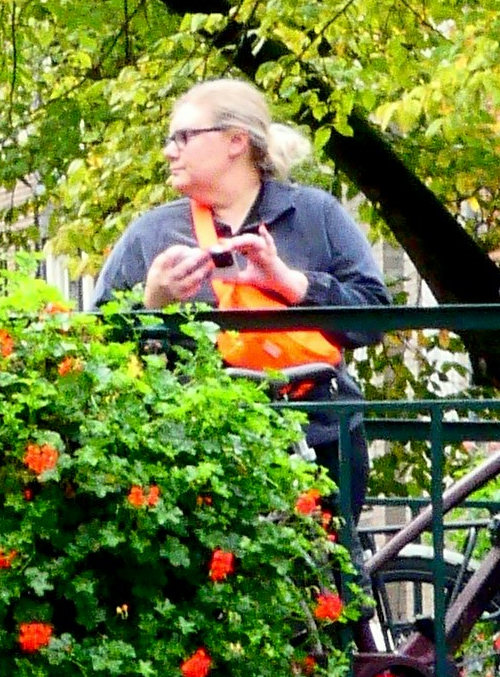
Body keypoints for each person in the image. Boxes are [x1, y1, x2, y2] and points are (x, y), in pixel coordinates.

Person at [92, 81, 387, 537]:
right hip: (197, 448)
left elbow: (373, 319)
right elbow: (98, 345)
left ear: (235, 141)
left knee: (333, 592)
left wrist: (293, 285)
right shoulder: (151, 233)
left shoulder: (315, 214)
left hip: (320, 436)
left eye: (183, 137)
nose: (170, 151)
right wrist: (153, 303)